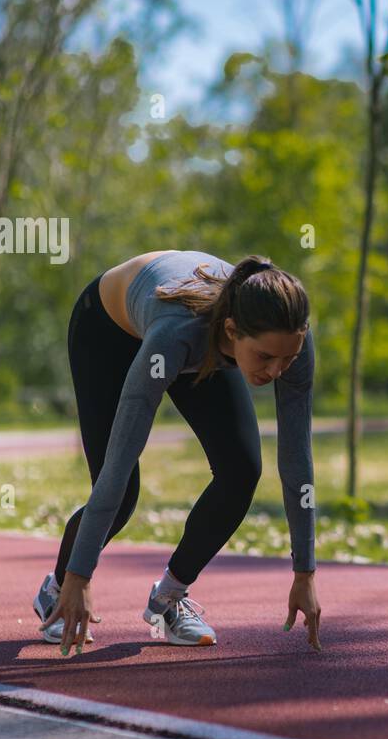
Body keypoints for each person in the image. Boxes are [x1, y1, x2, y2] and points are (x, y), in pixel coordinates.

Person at [35, 250, 321, 655]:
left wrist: (305, 572)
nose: (276, 371)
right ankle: (57, 591)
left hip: (196, 339)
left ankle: (169, 597)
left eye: (287, 358)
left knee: (241, 470)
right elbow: (117, 464)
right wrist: (79, 577)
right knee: (122, 493)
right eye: (265, 358)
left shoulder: (292, 339)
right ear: (232, 329)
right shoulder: (174, 336)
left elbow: (297, 460)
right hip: (108, 333)